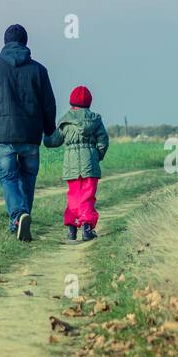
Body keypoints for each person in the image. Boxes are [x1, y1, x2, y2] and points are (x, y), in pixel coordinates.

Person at [0, 24, 57, 241]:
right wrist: (49, 129)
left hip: (3, 135)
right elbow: (48, 105)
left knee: (9, 177)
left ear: (5, 42)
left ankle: (18, 217)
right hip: (31, 134)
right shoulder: (39, 70)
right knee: (28, 177)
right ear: (26, 42)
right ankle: (23, 217)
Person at [44, 84, 109, 242]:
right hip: (90, 164)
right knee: (88, 195)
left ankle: (72, 229)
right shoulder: (95, 120)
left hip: (71, 165)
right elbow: (103, 142)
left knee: (73, 195)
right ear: (89, 102)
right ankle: (87, 227)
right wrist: (96, 157)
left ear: (71, 102)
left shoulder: (65, 121)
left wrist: (45, 135)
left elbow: (53, 141)